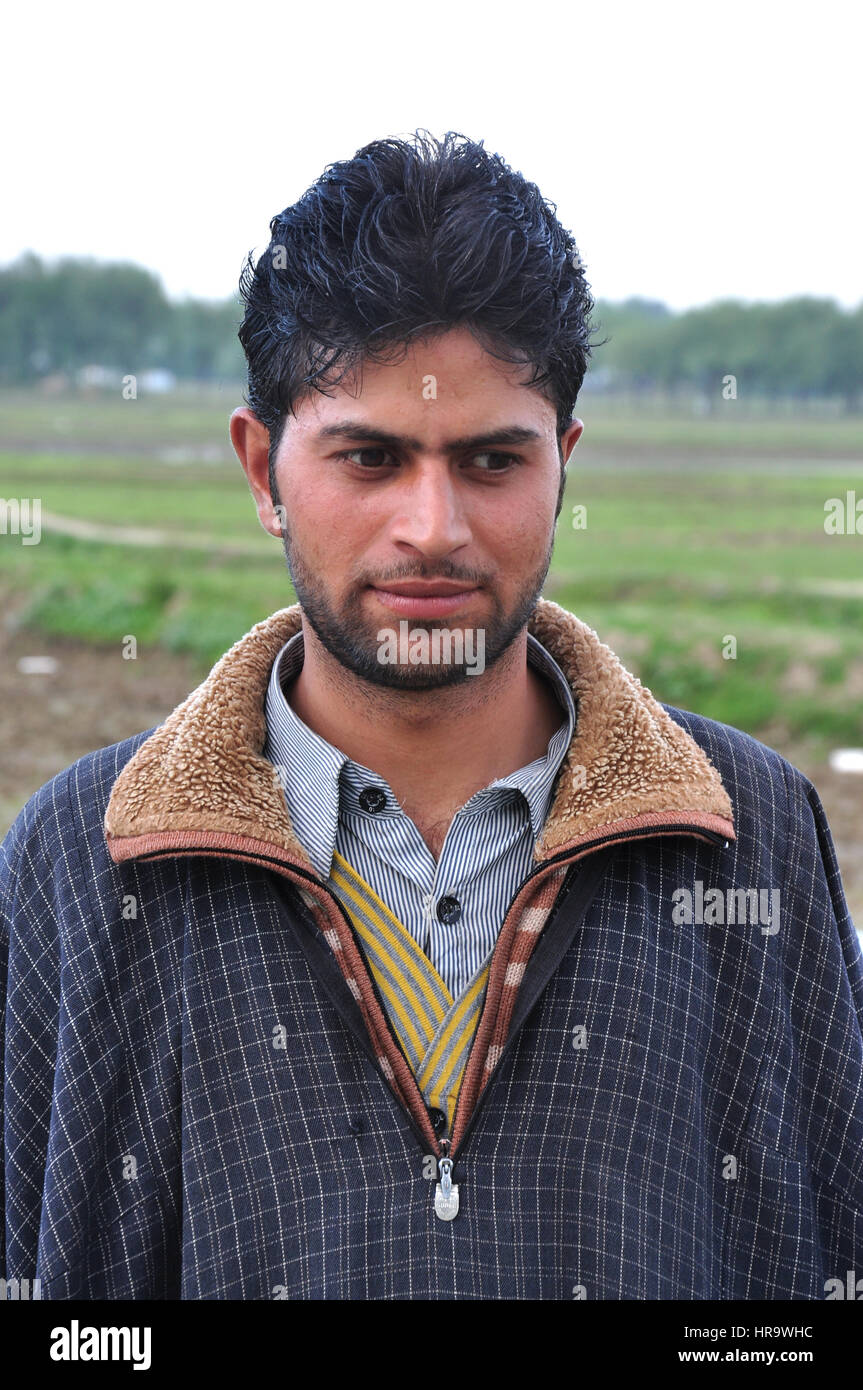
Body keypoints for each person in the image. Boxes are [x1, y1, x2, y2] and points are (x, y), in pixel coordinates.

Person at [2, 130, 861, 1301]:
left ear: (562, 464)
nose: (432, 527)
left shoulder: (747, 831)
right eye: (369, 457)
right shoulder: (82, 859)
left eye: (491, 462)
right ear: (262, 471)